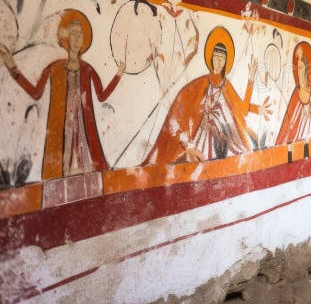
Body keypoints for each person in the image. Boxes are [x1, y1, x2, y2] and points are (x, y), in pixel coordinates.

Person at [0, 9, 125, 179]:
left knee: (88, 177)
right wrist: (13, 68)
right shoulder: (55, 67)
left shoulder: (88, 70)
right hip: (60, 133)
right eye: (73, 33)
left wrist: (118, 74)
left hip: (84, 134)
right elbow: (36, 93)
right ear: (66, 38)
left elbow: (102, 96)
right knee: (60, 177)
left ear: (84, 40)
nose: (77, 38)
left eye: (80, 34)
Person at [144, 26, 270, 164]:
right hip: (201, 135)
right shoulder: (200, 84)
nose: (218, 62)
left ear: (226, 62)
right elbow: (184, 110)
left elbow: (241, 109)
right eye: (216, 57)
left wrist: (251, 84)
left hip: (224, 138)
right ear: (211, 58)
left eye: (222, 58)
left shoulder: (226, 85)